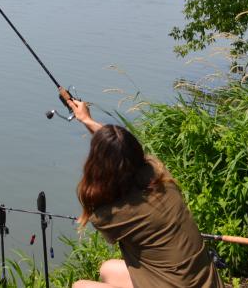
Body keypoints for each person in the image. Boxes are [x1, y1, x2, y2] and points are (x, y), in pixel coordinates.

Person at [60, 89, 222, 288]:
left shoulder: (109, 216)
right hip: (204, 283)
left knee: (80, 286)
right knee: (108, 269)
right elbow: (125, 154)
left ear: (96, 169)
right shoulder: (160, 176)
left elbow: (105, 188)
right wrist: (87, 120)